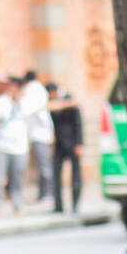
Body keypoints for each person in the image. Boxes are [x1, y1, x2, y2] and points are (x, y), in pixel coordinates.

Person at [0, 77, 29, 215]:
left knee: (16, 178)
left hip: (20, 147)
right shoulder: (1, 102)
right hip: (3, 146)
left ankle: (17, 206)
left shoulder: (24, 103)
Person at [19, 70, 55, 204]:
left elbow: (36, 111)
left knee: (43, 166)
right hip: (40, 134)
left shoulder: (32, 91)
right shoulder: (37, 90)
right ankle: (44, 192)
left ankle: (47, 192)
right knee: (42, 166)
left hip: (38, 135)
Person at [46, 82, 83, 214]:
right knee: (56, 174)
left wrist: (79, 143)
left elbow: (78, 123)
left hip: (72, 142)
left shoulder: (69, 98)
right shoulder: (57, 102)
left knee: (76, 175)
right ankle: (58, 205)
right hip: (59, 144)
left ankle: (75, 205)